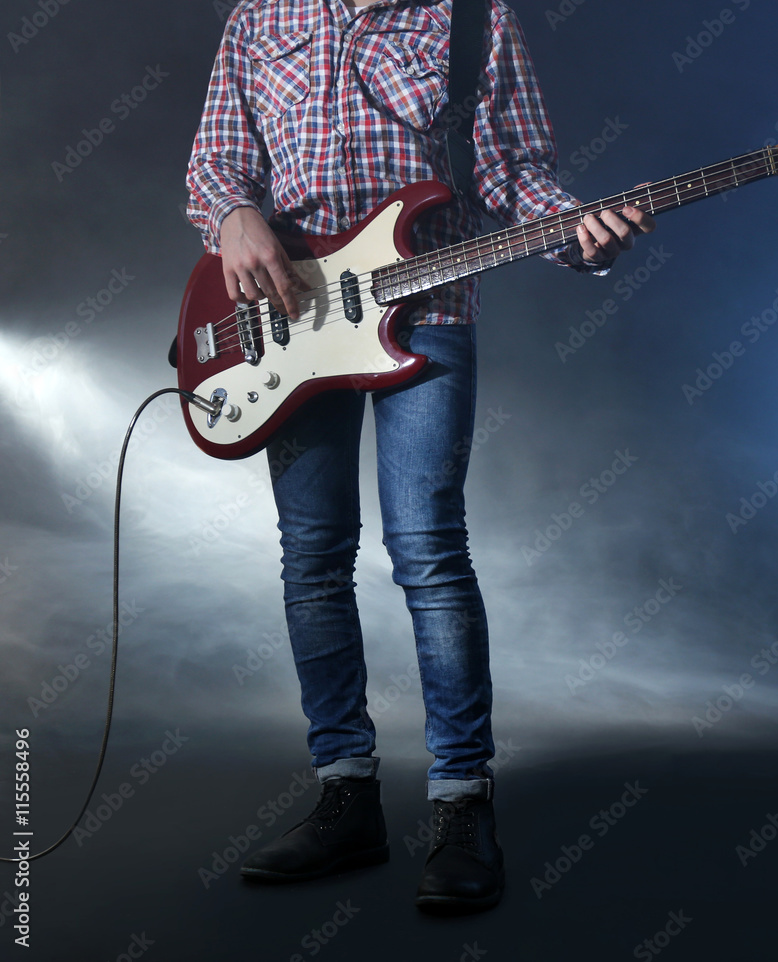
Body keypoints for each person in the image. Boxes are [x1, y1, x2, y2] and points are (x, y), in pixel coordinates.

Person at [185, 0, 655, 912]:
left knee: (430, 551)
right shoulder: (261, 14)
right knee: (312, 557)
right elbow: (217, 158)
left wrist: (577, 227)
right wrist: (235, 211)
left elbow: (512, 172)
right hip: (288, 318)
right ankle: (345, 799)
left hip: (427, 304)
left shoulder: (473, 17)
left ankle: (462, 807)